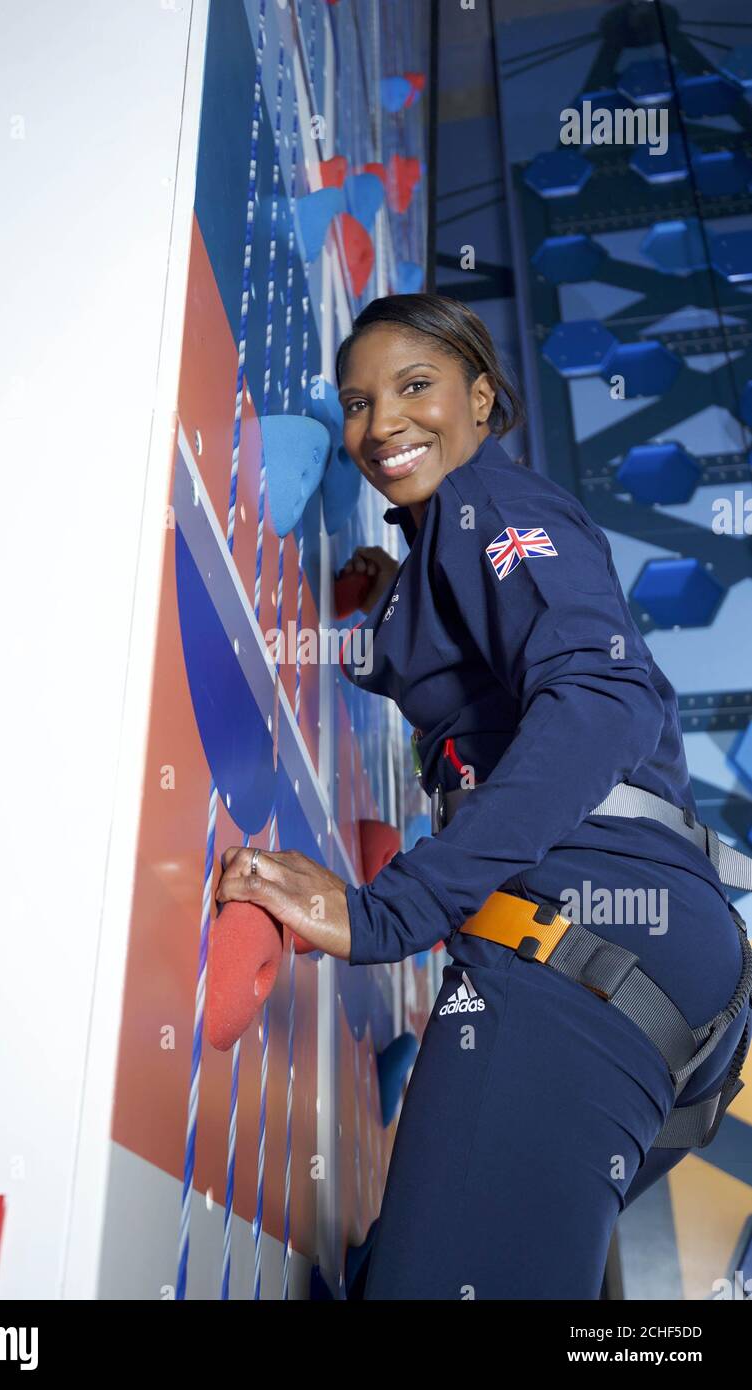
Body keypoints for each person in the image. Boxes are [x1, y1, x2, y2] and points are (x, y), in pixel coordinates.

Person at [216, 293, 752, 1300]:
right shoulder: (453, 535)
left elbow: (599, 705)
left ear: (482, 398)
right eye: (359, 402)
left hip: (583, 954)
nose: (381, 425)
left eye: (415, 387)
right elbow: (476, 673)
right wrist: (389, 594)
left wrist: (385, 914)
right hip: (637, 979)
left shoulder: (488, 506)